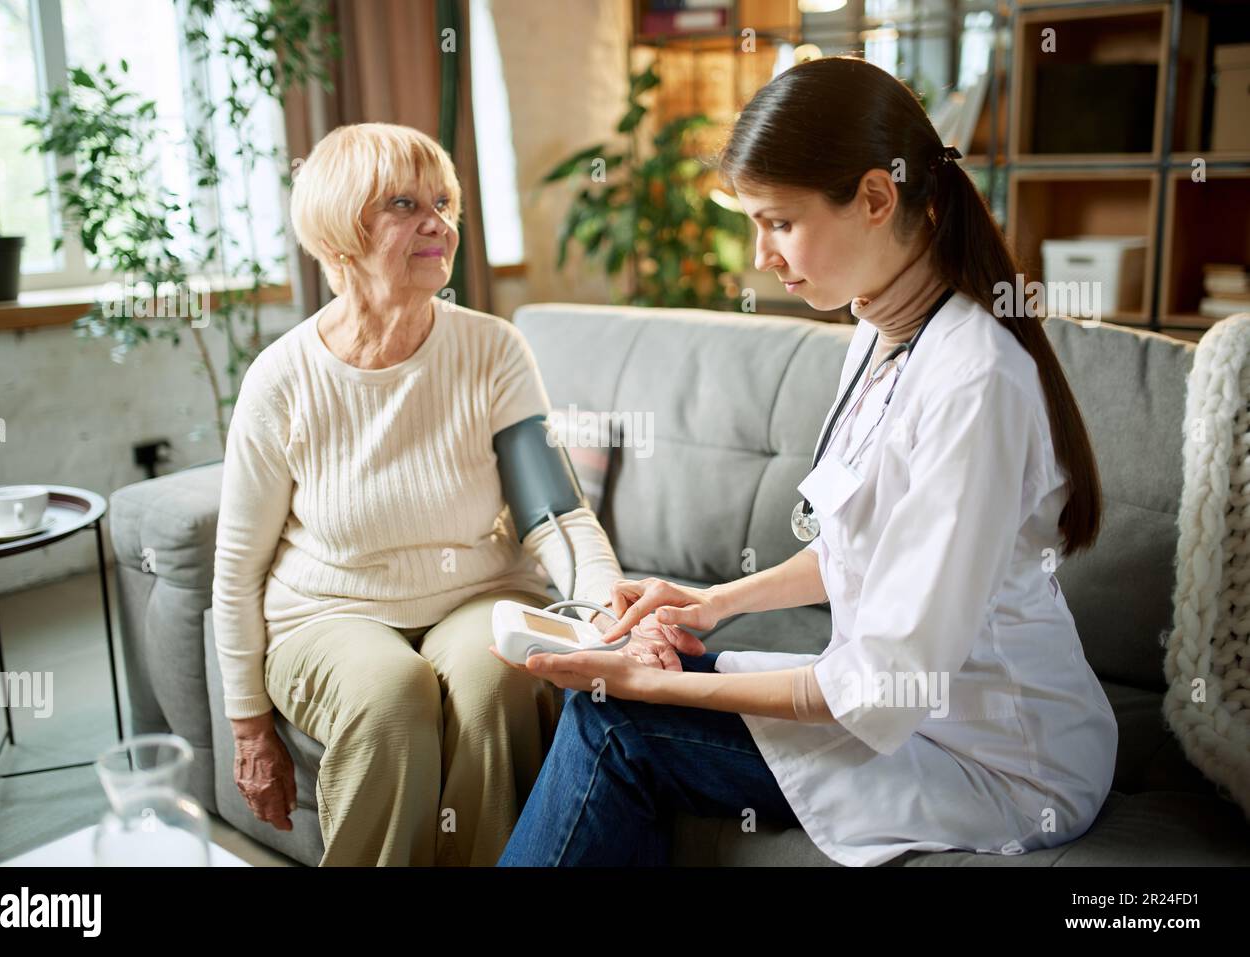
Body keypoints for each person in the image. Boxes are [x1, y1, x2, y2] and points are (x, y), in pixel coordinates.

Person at [492, 56, 1118, 867]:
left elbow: (883, 684)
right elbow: (858, 545)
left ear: (875, 197)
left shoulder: (976, 384)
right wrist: (707, 603)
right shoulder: (880, 330)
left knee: (618, 712)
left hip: (996, 757)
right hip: (909, 710)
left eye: (779, 222)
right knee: (637, 676)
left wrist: (658, 688)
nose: (762, 254)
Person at [211, 122, 631, 866]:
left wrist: (606, 609)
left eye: (445, 202)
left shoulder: (493, 349)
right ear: (341, 233)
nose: (439, 222)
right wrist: (249, 728)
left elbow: (554, 512)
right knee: (391, 695)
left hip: (475, 592)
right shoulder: (281, 378)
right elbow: (238, 565)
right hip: (328, 609)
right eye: (404, 204)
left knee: (498, 680)